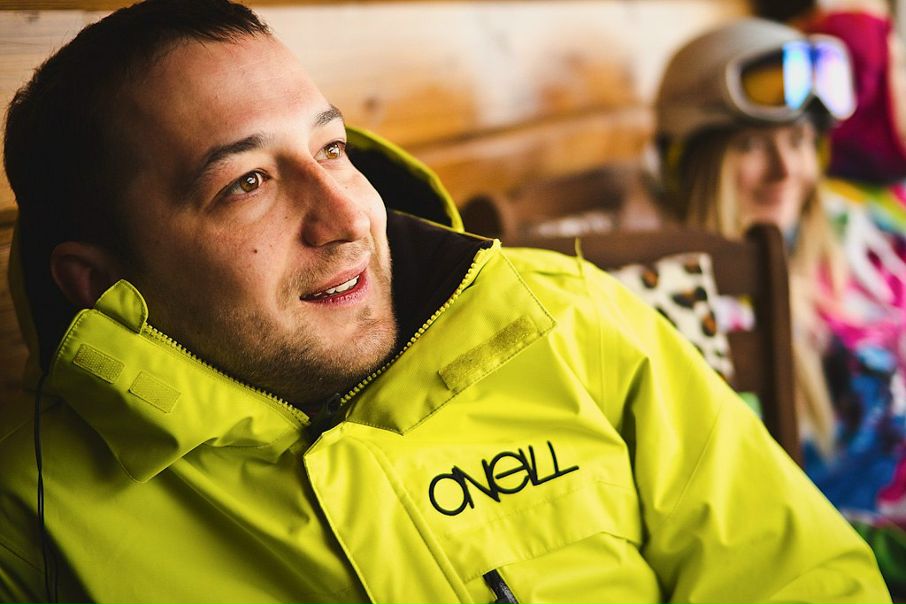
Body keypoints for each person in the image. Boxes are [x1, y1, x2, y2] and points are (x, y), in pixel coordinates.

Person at [0, 1, 888, 602]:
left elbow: (801, 577)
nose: (348, 216)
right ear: (98, 283)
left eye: (334, 149)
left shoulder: (570, 320)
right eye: (247, 183)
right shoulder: (33, 518)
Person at [654, 15, 906, 597]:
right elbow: (756, 523)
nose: (786, 171)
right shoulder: (691, 308)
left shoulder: (857, 235)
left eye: (798, 141)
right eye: (750, 145)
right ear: (689, 161)